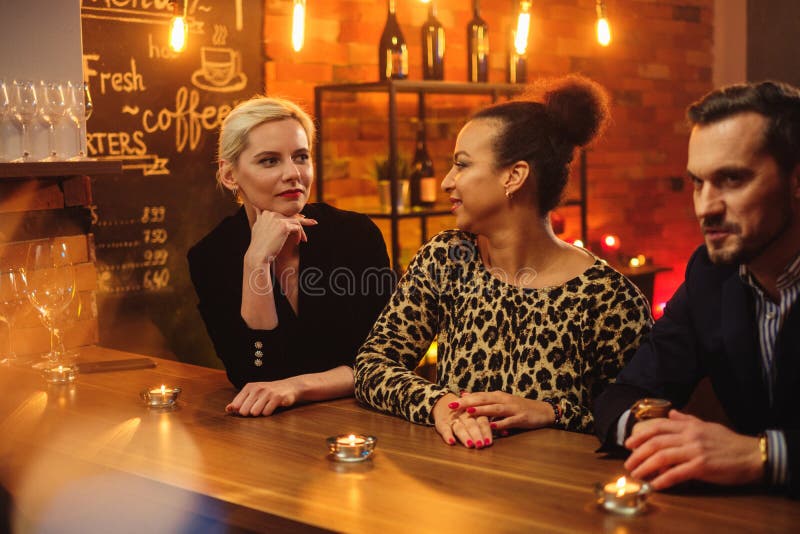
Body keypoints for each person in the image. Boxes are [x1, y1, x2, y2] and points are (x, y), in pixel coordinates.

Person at [354, 76, 652, 448]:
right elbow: (371, 366)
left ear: (514, 176)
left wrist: (552, 413)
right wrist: (437, 403)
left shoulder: (609, 299)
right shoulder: (447, 259)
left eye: (462, 165)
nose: (447, 181)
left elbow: (639, 418)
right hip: (454, 484)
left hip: (557, 495)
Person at [592, 81, 800, 498]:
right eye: (697, 183)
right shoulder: (711, 276)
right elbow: (621, 395)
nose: (706, 207)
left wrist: (762, 456)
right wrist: (653, 429)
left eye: (732, 179)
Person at [188, 96, 393, 417]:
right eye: (270, 160)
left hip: (366, 419)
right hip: (270, 436)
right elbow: (253, 374)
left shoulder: (355, 236)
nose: (293, 173)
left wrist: (296, 387)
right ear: (230, 175)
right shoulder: (211, 256)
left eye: (301, 157)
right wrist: (256, 262)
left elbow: (385, 362)